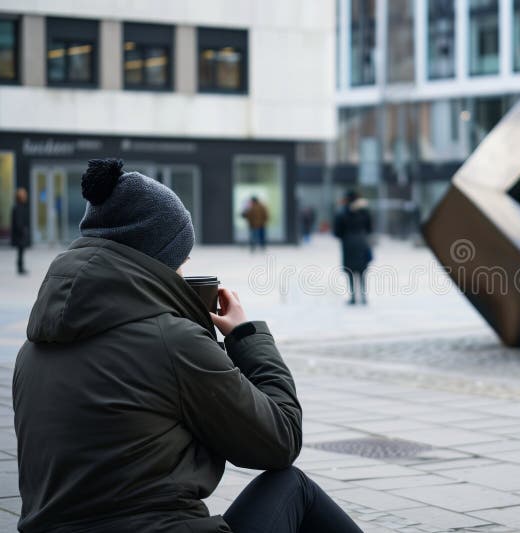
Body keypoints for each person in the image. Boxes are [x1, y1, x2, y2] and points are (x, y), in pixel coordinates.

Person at [13, 159, 362, 533]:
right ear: (159, 259)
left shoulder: (31, 351)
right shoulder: (172, 341)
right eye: (182, 260)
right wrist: (245, 335)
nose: (183, 273)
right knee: (292, 486)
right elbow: (281, 439)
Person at [333, 190, 372, 305]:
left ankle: (353, 297)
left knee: (350, 271)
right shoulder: (364, 212)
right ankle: (364, 296)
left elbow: (337, 232)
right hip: (362, 242)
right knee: (362, 271)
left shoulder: (342, 213)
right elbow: (369, 228)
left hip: (348, 243)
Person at [11, 188, 30, 275]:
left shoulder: (20, 207)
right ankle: (20, 268)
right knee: (20, 251)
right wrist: (22, 230)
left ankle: (21, 267)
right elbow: (18, 222)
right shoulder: (18, 207)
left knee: (21, 251)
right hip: (19, 233)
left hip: (20, 233)